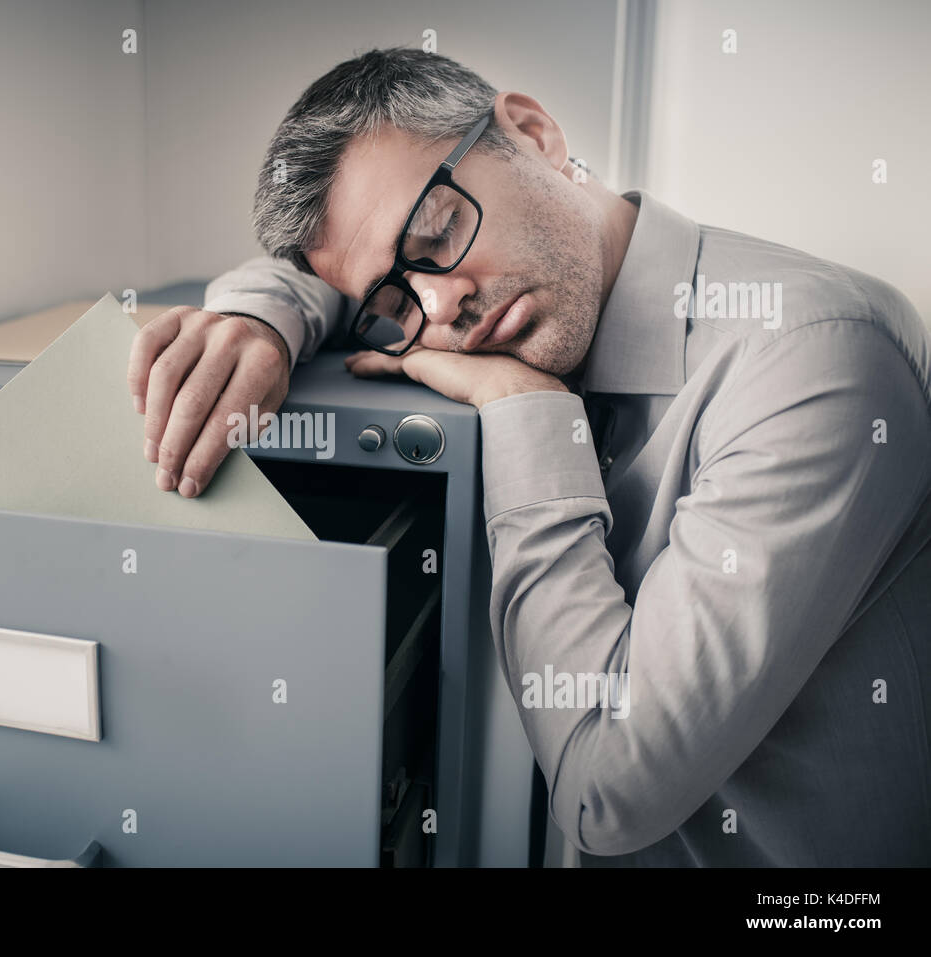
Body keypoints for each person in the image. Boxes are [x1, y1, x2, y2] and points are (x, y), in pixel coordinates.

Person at [127, 47, 931, 865]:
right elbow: (339, 271)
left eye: (439, 233)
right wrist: (258, 321)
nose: (443, 308)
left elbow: (606, 789)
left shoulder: (814, 361)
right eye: (394, 305)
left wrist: (525, 412)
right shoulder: (453, 281)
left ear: (536, 135)